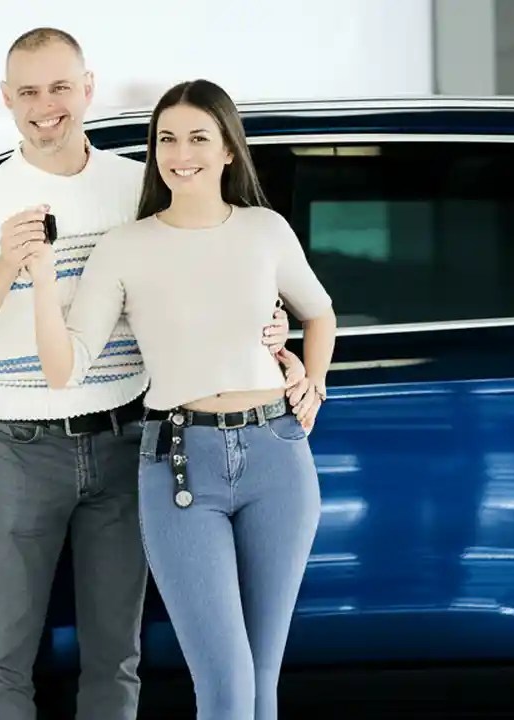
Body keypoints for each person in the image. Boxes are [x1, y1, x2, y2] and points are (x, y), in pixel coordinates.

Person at [0, 30, 302, 720]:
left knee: (115, 652)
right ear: (6, 100)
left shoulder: (139, 186)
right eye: (29, 92)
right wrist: (6, 264)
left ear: (87, 89)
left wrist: (281, 343)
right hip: (23, 444)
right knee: (4, 653)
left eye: (61, 88)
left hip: (135, 439)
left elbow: (216, 278)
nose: (47, 106)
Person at [28, 78, 338, 720]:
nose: (180, 152)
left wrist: (314, 378)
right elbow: (65, 370)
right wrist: (38, 279)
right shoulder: (126, 246)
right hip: (178, 462)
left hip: (278, 455)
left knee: (262, 682)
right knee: (225, 687)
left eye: (198, 137)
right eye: (166, 139)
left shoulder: (264, 229)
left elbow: (321, 312)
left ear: (228, 150)